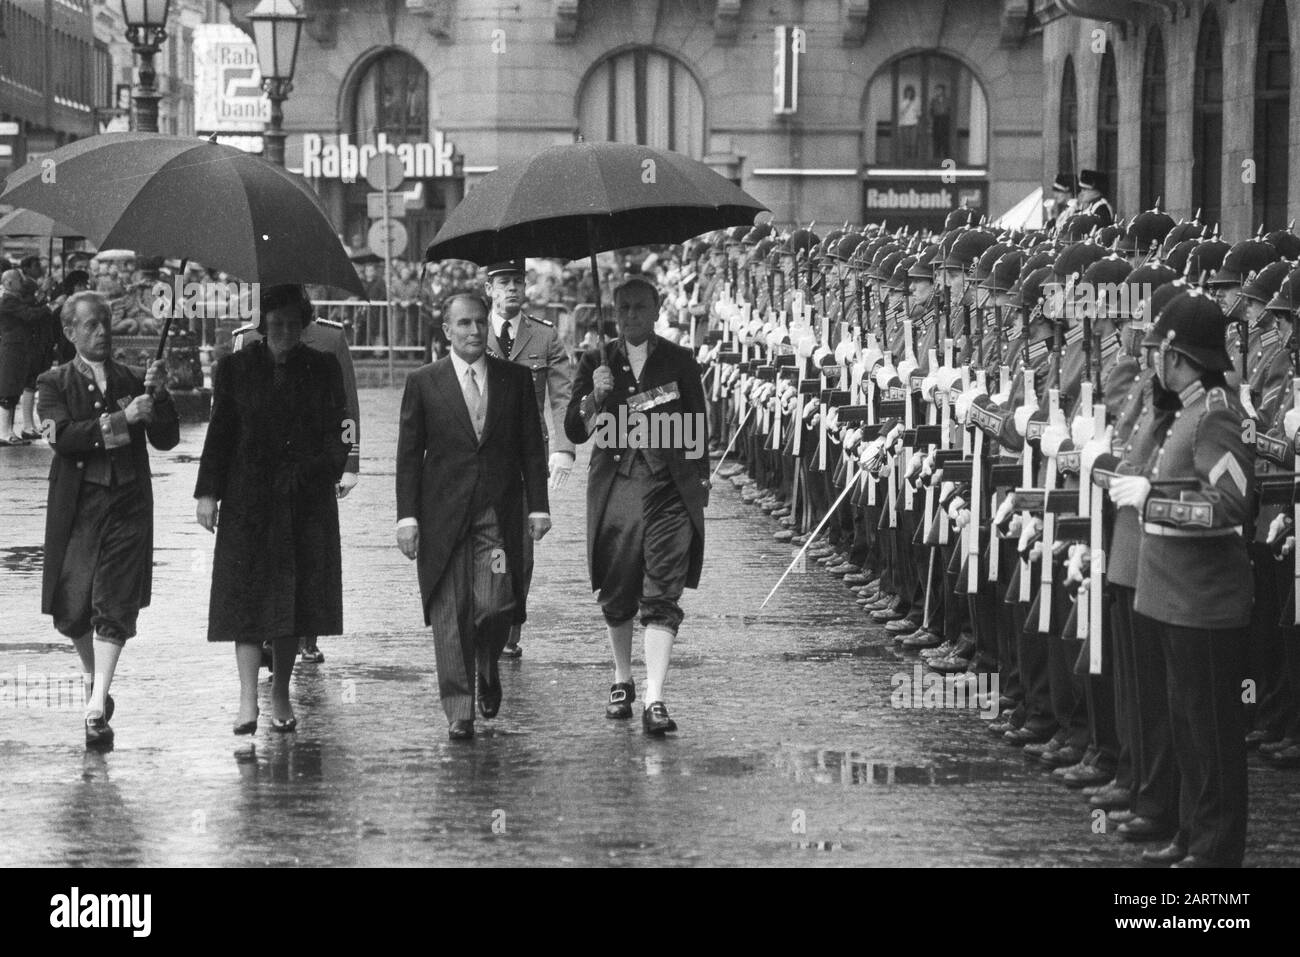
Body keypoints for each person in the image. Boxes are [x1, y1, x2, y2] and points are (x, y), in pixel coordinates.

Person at [194, 284, 351, 735]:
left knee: (291, 601)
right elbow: (220, 432)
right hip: (249, 500)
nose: (283, 331)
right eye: (274, 324)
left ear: (303, 326)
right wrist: (208, 492)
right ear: (263, 326)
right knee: (246, 597)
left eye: (291, 323)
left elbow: (339, 428)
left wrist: (325, 470)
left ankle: (279, 691)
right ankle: (247, 701)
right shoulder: (235, 368)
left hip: (304, 501)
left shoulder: (322, 368)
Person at [395, 293, 550, 740]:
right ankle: (459, 710)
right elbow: (408, 456)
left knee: (495, 602)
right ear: (447, 331)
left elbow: (530, 449)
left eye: (480, 323)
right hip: (442, 518)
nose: (474, 332)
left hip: (496, 518)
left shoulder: (514, 380)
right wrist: (407, 518)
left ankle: (488, 661)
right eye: (463, 324)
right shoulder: (424, 382)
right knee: (449, 613)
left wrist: (538, 505)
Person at [564, 277, 710, 735]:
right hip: (618, 487)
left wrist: (699, 483)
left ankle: (655, 697)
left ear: (657, 308)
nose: (631, 317)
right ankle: (622, 679)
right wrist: (595, 396)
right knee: (618, 583)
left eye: (640, 307)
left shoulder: (679, 361)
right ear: (614, 311)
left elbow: (697, 426)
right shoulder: (596, 361)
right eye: (623, 308)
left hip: (668, 489)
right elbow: (574, 429)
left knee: (662, 589)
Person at [36, 291, 180, 748]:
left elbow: (167, 439)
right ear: (70, 332)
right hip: (78, 508)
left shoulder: (133, 377)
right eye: (90, 325)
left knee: (113, 603)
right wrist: (123, 418)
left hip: (129, 505)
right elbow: (62, 438)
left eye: (106, 323)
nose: (101, 332)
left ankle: (96, 707)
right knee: (73, 606)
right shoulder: (51, 383)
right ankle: (95, 679)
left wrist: (158, 394)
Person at [232, 290, 362, 664]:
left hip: (313, 467)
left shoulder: (330, 338)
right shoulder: (246, 340)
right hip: (261, 473)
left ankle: (308, 633)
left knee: (311, 555)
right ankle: (274, 634)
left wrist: (349, 463)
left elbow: (347, 405)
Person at [483, 260, 576, 658]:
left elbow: (561, 395)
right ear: (489, 289)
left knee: (520, 544)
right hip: (480, 455)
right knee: (484, 539)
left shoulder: (543, 337)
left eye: (518, 282)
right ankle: (487, 613)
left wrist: (564, 448)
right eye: (503, 283)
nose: (512, 290)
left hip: (526, 458)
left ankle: (512, 625)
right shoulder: (472, 331)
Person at [0, 268, 45, 445]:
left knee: (14, 389)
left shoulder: (13, 299)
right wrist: (47, 308)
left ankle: (9, 431)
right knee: (7, 389)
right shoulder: (8, 300)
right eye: (19, 279)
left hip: (18, 349)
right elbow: (28, 314)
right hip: (12, 348)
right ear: (9, 282)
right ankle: (4, 432)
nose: (22, 282)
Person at [929, 83, 952, 160]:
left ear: (943, 91)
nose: (937, 91)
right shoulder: (933, 100)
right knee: (936, 141)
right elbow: (931, 111)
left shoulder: (948, 100)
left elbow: (950, 111)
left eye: (939, 89)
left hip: (945, 120)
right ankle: (936, 160)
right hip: (936, 120)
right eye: (936, 90)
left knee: (945, 142)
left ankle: (946, 160)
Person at [897, 85, 920, 161]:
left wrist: (918, 113)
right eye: (907, 92)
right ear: (905, 93)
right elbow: (901, 111)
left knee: (914, 143)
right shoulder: (902, 100)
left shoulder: (917, 99)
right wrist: (907, 101)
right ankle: (906, 160)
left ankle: (914, 159)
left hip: (914, 123)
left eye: (910, 92)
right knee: (906, 143)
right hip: (905, 124)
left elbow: (919, 111)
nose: (909, 94)